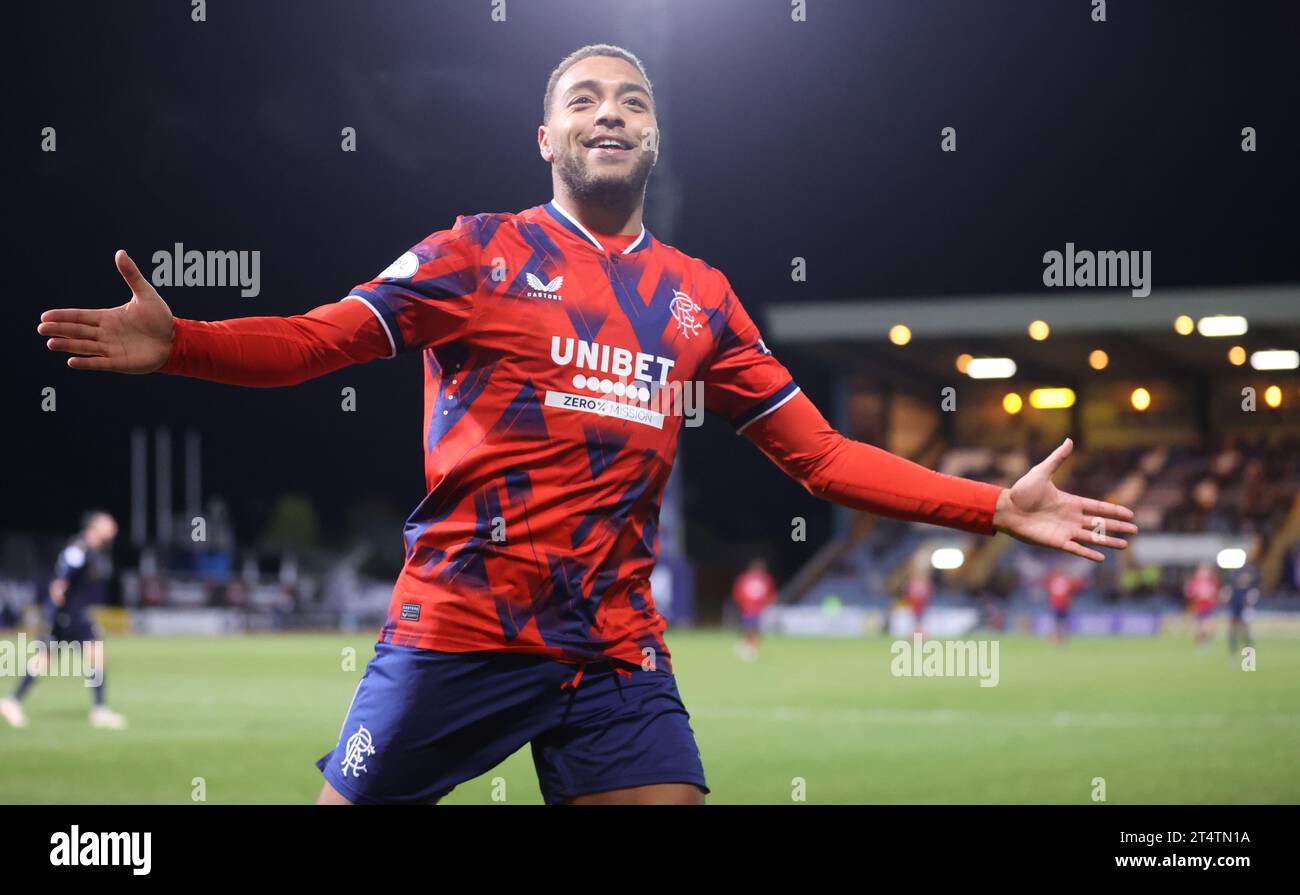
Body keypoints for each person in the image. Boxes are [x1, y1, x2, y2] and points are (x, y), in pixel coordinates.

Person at [35, 44, 1137, 804]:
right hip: (462, 627)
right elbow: (320, 340)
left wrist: (989, 505)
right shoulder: (475, 252)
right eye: (584, 99)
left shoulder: (700, 295)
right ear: (546, 138)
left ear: (655, 137)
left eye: (634, 100)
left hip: (611, 647)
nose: (611, 111)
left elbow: (820, 456)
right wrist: (182, 342)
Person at [0, 511, 127, 729]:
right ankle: (13, 702)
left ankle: (98, 709)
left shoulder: (89, 549)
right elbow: (60, 582)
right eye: (109, 522)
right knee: (51, 660)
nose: (114, 526)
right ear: (95, 527)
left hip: (74, 614)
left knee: (89, 656)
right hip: (66, 616)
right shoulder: (79, 549)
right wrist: (53, 613)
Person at [731, 559, 777, 662]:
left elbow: (771, 594)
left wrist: (767, 604)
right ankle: (747, 646)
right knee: (747, 629)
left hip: (759, 610)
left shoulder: (766, 579)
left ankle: (753, 649)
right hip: (747, 609)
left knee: (755, 630)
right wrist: (741, 604)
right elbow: (738, 593)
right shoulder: (744, 579)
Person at [1043, 565, 1082, 645]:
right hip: (1056, 605)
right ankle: (1056, 639)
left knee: (1063, 623)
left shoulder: (1066, 580)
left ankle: (1062, 639)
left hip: (1064, 605)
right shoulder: (1054, 579)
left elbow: (1076, 587)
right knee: (1057, 623)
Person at [1184, 562, 1220, 646]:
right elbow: (1190, 593)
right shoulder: (1195, 581)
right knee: (1197, 627)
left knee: (1206, 627)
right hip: (1197, 607)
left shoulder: (1212, 581)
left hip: (1208, 607)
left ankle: (1204, 642)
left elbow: (1214, 594)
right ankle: (1199, 642)